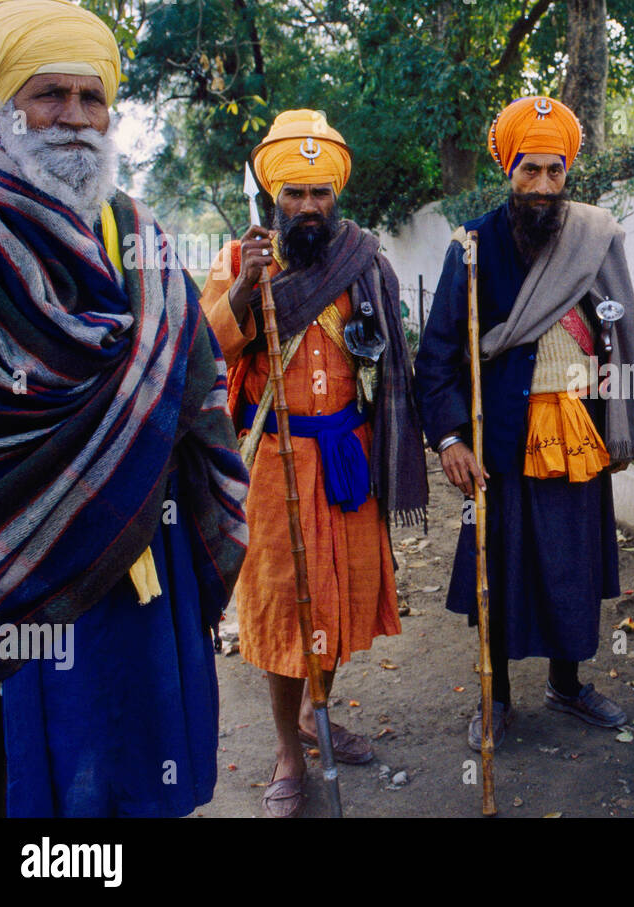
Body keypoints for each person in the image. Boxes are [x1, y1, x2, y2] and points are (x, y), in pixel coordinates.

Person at [0, 0, 248, 816]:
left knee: (141, 757)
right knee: (35, 780)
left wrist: (208, 511)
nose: (75, 115)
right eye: (49, 93)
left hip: (139, 545)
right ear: (5, 107)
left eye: (92, 96)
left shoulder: (141, 231)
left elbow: (197, 388)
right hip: (13, 568)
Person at [200, 109, 428, 816]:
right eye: (294, 191)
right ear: (274, 194)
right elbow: (202, 350)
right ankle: (287, 749)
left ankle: (316, 713)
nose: (307, 205)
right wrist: (247, 289)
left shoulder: (363, 258)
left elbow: (390, 355)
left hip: (347, 460)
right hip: (275, 462)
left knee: (334, 597)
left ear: (336, 196)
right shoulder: (241, 260)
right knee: (281, 611)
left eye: (319, 192)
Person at [414, 96, 634, 750]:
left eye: (554, 172)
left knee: (571, 567)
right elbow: (438, 355)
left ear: (567, 173)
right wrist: (452, 437)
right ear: (509, 171)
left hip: (576, 435)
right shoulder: (473, 245)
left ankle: (567, 685)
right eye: (529, 172)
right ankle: (497, 696)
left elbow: (622, 332)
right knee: (502, 571)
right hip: (502, 439)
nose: (543, 187)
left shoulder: (595, 238)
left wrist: (623, 412)